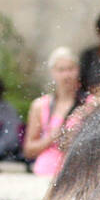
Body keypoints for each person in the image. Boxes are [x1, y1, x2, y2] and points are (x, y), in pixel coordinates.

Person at [26, 47, 83, 177]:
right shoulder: (40, 105)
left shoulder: (90, 104)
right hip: (45, 173)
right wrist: (50, 139)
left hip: (76, 175)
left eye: (70, 69)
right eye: (61, 70)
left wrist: (76, 141)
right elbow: (28, 150)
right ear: (53, 73)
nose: (66, 75)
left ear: (78, 70)